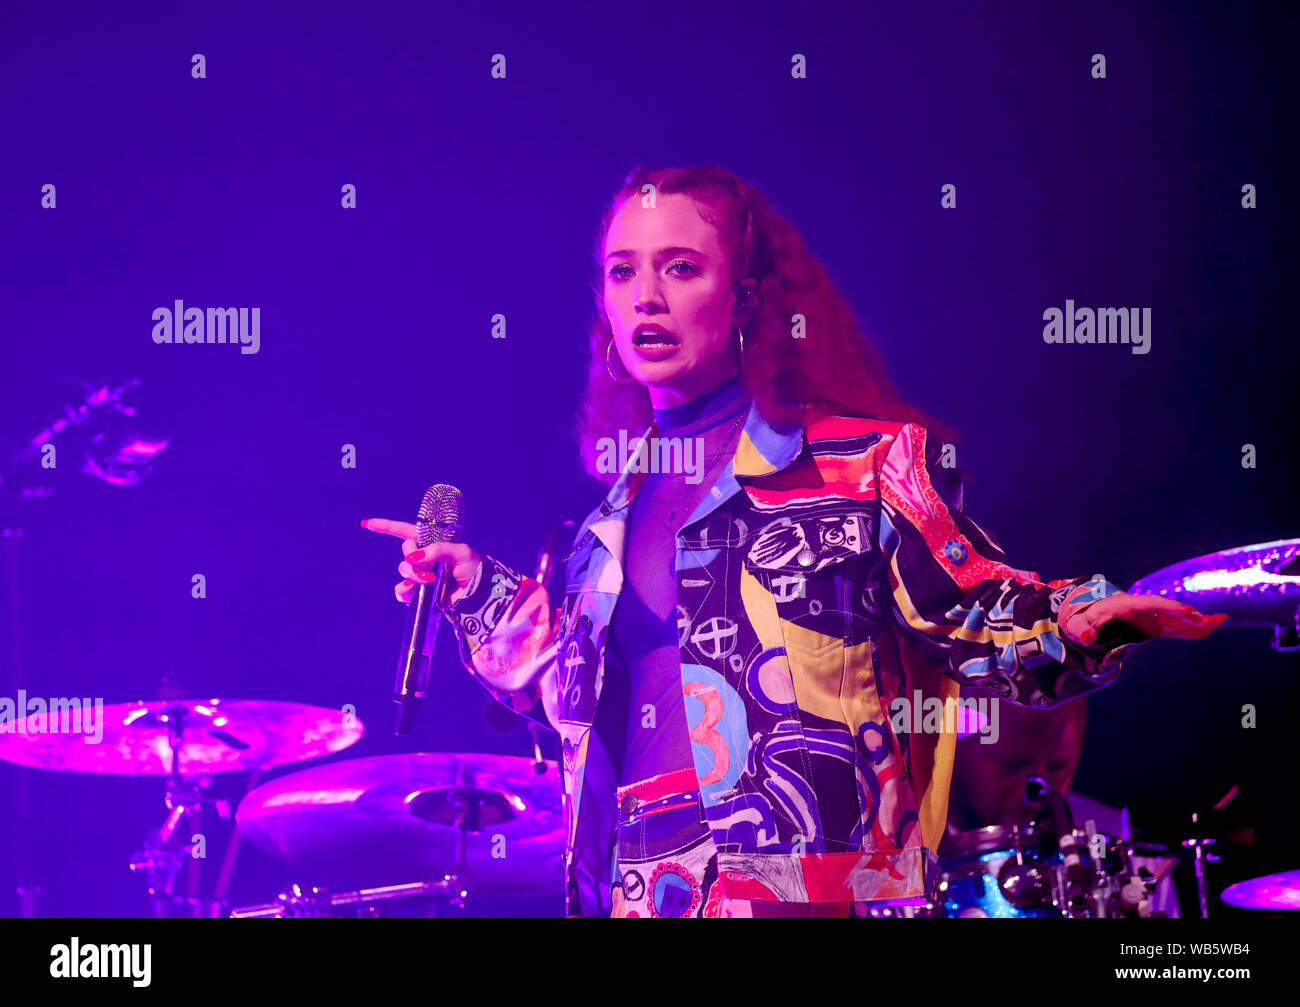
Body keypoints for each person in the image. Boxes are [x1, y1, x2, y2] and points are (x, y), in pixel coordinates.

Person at [363, 165, 1227, 918]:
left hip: (816, 889)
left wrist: (1099, 614)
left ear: (744, 296)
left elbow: (976, 613)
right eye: (622, 271)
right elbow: (565, 688)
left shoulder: (865, 470)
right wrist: (471, 582)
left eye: (681, 268)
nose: (646, 297)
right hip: (639, 884)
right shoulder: (599, 531)